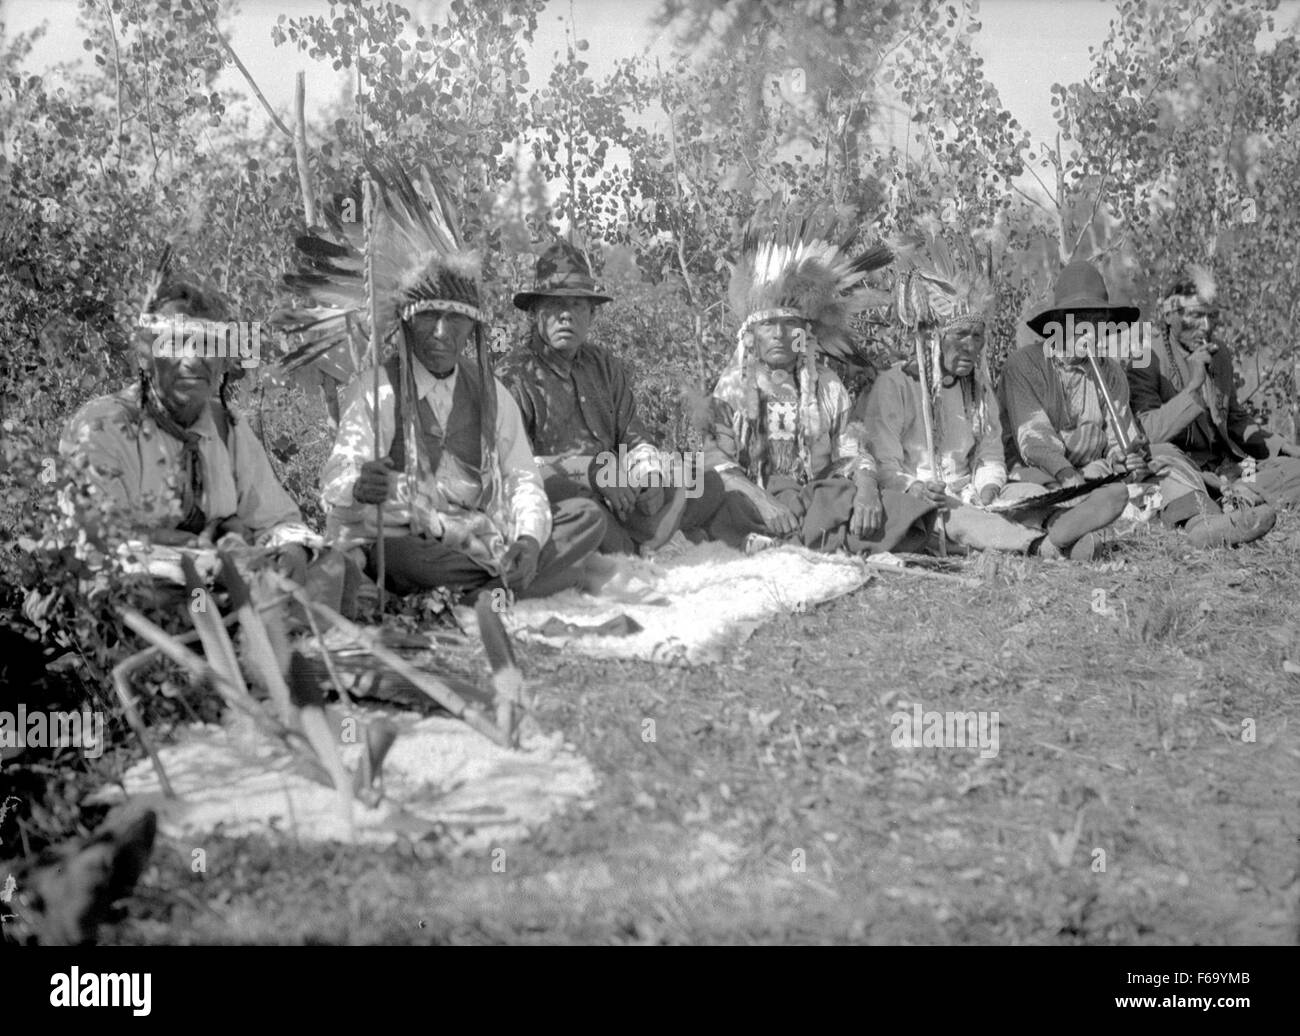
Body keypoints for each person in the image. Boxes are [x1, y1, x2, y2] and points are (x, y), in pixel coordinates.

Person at [289, 163, 606, 600]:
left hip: (482, 531)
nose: (442, 333)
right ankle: (509, 585)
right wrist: (360, 485)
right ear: (405, 324)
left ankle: (493, 584)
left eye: (456, 319)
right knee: (396, 554)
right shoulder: (378, 388)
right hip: (409, 537)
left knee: (584, 517)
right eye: (430, 318)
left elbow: (521, 479)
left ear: (472, 327)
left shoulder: (491, 394)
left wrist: (530, 542)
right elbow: (337, 477)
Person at [59, 272, 344, 604]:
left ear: (223, 359)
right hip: (151, 588)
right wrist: (201, 560)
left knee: (331, 566)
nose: (193, 358)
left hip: (228, 581)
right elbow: (95, 545)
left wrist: (292, 549)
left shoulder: (228, 426)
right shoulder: (101, 428)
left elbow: (275, 518)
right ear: (145, 355)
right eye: (176, 343)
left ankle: (263, 642)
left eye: (207, 344)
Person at [858, 236, 1127, 560]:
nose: (971, 346)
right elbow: (885, 464)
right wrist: (915, 487)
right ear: (934, 338)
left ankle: (1062, 524)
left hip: (972, 491)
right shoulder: (896, 385)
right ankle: (1046, 544)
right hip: (922, 499)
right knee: (955, 518)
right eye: (960, 336)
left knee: (1030, 494)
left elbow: (989, 454)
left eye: (977, 336)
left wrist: (988, 486)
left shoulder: (977, 389)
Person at [702, 202, 934, 554]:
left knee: (854, 499)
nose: (780, 335)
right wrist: (763, 501)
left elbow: (853, 451)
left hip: (817, 497)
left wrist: (868, 491)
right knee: (712, 502)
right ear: (751, 335)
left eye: (791, 325)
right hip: (755, 502)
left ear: (806, 335)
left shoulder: (827, 386)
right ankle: (814, 537)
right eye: (768, 325)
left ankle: (797, 540)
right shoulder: (732, 386)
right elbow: (716, 459)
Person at [998, 259, 1275, 549]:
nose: (1088, 330)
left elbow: (1121, 439)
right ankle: (1073, 539)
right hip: (1042, 473)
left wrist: (1125, 455)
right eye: (1079, 319)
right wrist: (1069, 477)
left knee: (1164, 458)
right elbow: (1034, 441)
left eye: (1097, 321)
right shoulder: (1025, 364)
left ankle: (1202, 523)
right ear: (1059, 323)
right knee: (1031, 494)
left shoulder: (1111, 371)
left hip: (1094, 473)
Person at [499, 241, 724, 555]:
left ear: (591, 314)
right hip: (570, 495)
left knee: (705, 481)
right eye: (554, 305)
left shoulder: (602, 365)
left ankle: (647, 536)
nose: (566, 315)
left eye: (577, 305)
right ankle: (642, 543)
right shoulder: (513, 376)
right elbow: (514, 469)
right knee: (590, 519)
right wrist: (593, 473)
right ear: (535, 313)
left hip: (623, 492)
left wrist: (650, 479)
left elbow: (633, 437)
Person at [1129, 264, 1300, 508]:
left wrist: (1283, 447)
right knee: (1160, 455)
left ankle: (1242, 494)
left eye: (1211, 316)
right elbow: (1147, 435)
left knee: (1294, 468)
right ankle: (1229, 499)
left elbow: (1235, 419)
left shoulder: (1219, 354)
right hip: (1185, 469)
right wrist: (1193, 389)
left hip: (1229, 466)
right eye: (1196, 315)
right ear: (1169, 316)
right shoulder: (1145, 357)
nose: (1206, 326)